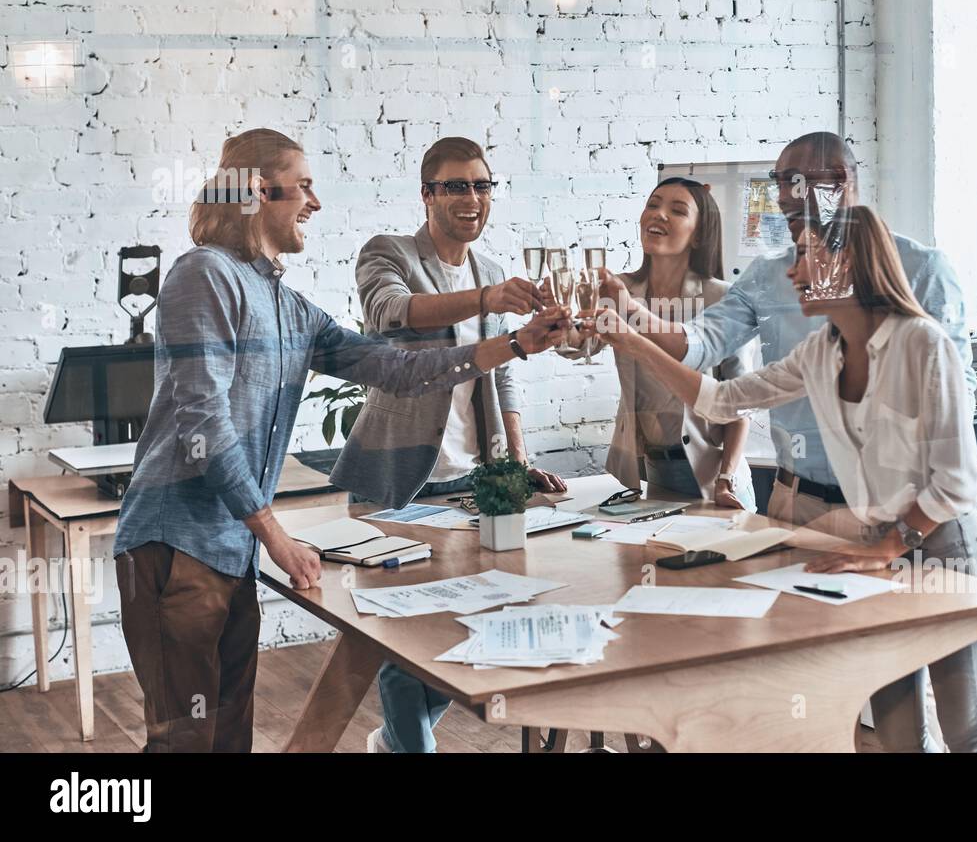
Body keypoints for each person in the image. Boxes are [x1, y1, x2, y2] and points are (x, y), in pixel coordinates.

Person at [112, 128, 566, 753]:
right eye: (303, 187)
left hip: (229, 550)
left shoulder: (289, 306)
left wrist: (515, 343)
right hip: (177, 543)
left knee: (226, 739)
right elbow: (203, 420)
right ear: (256, 193)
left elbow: (396, 368)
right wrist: (275, 536)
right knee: (184, 742)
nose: (315, 202)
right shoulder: (204, 273)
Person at [585, 205, 977, 753]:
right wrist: (632, 341)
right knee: (900, 737)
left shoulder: (922, 344)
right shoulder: (822, 351)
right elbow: (722, 399)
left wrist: (888, 547)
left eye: (806, 255)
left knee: (966, 733)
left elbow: (958, 482)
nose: (793, 271)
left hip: (943, 547)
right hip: (879, 549)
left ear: (846, 263)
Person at [330, 135, 565, 754]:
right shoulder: (389, 252)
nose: (471, 197)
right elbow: (391, 311)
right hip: (398, 479)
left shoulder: (490, 270)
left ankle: (394, 741)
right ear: (427, 194)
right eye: (456, 185)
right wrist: (487, 300)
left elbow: (503, 370)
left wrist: (516, 460)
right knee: (408, 638)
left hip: (470, 481)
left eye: (482, 185)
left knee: (476, 622)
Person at [613, 132, 975, 528]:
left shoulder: (925, 275)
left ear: (838, 179)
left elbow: (957, 400)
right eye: (778, 181)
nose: (782, 196)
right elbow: (704, 355)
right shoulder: (810, 338)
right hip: (795, 502)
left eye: (793, 180)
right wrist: (629, 317)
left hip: (901, 508)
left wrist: (906, 515)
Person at [586, 177, 756, 510]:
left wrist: (726, 480)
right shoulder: (620, 289)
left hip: (714, 475)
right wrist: (562, 321)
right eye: (652, 205)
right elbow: (583, 346)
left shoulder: (723, 297)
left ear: (699, 234)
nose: (659, 214)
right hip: (654, 473)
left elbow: (740, 402)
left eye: (677, 210)